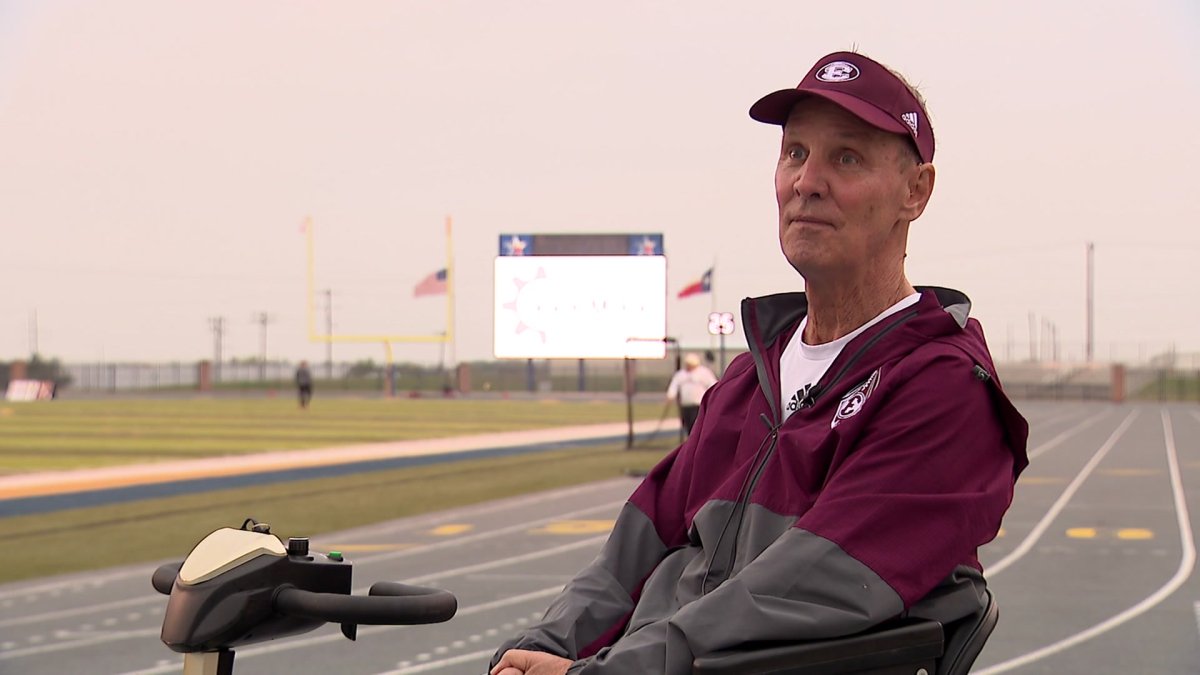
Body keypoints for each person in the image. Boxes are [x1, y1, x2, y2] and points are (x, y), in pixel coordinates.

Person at [489, 51, 1029, 675]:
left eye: (845, 158)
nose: (807, 181)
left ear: (916, 191)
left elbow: (789, 599)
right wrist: (545, 646)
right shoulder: (751, 379)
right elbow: (634, 553)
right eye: (795, 153)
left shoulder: (943, 389)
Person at [665, 353, 718, 437]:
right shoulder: (681, 374)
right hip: (685, 406)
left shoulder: (704, 373)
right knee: (688, 425)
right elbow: (674, 385)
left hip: (698, 405)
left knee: (696, 426)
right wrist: (670, 395)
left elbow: (713, 385)